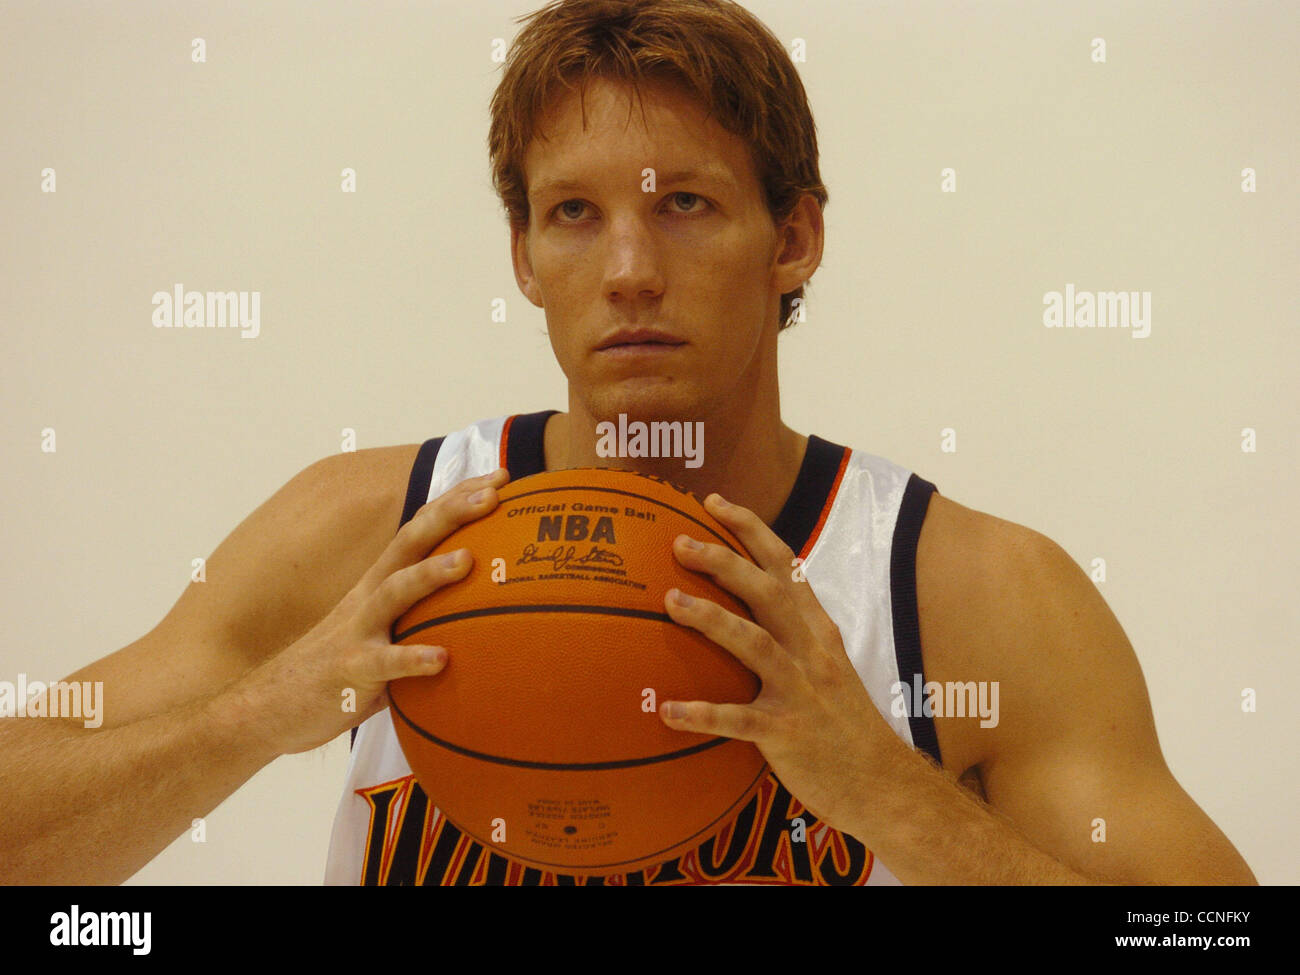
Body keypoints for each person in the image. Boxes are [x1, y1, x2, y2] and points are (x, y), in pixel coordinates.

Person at [0, 0, 1255, 886]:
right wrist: (250, 717)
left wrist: (889, 797)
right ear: (523, 258)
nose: (628, 272)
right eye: (573, 215)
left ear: (795, 237)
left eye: (685, 206)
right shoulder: (373, 534)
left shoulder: (964, 592)